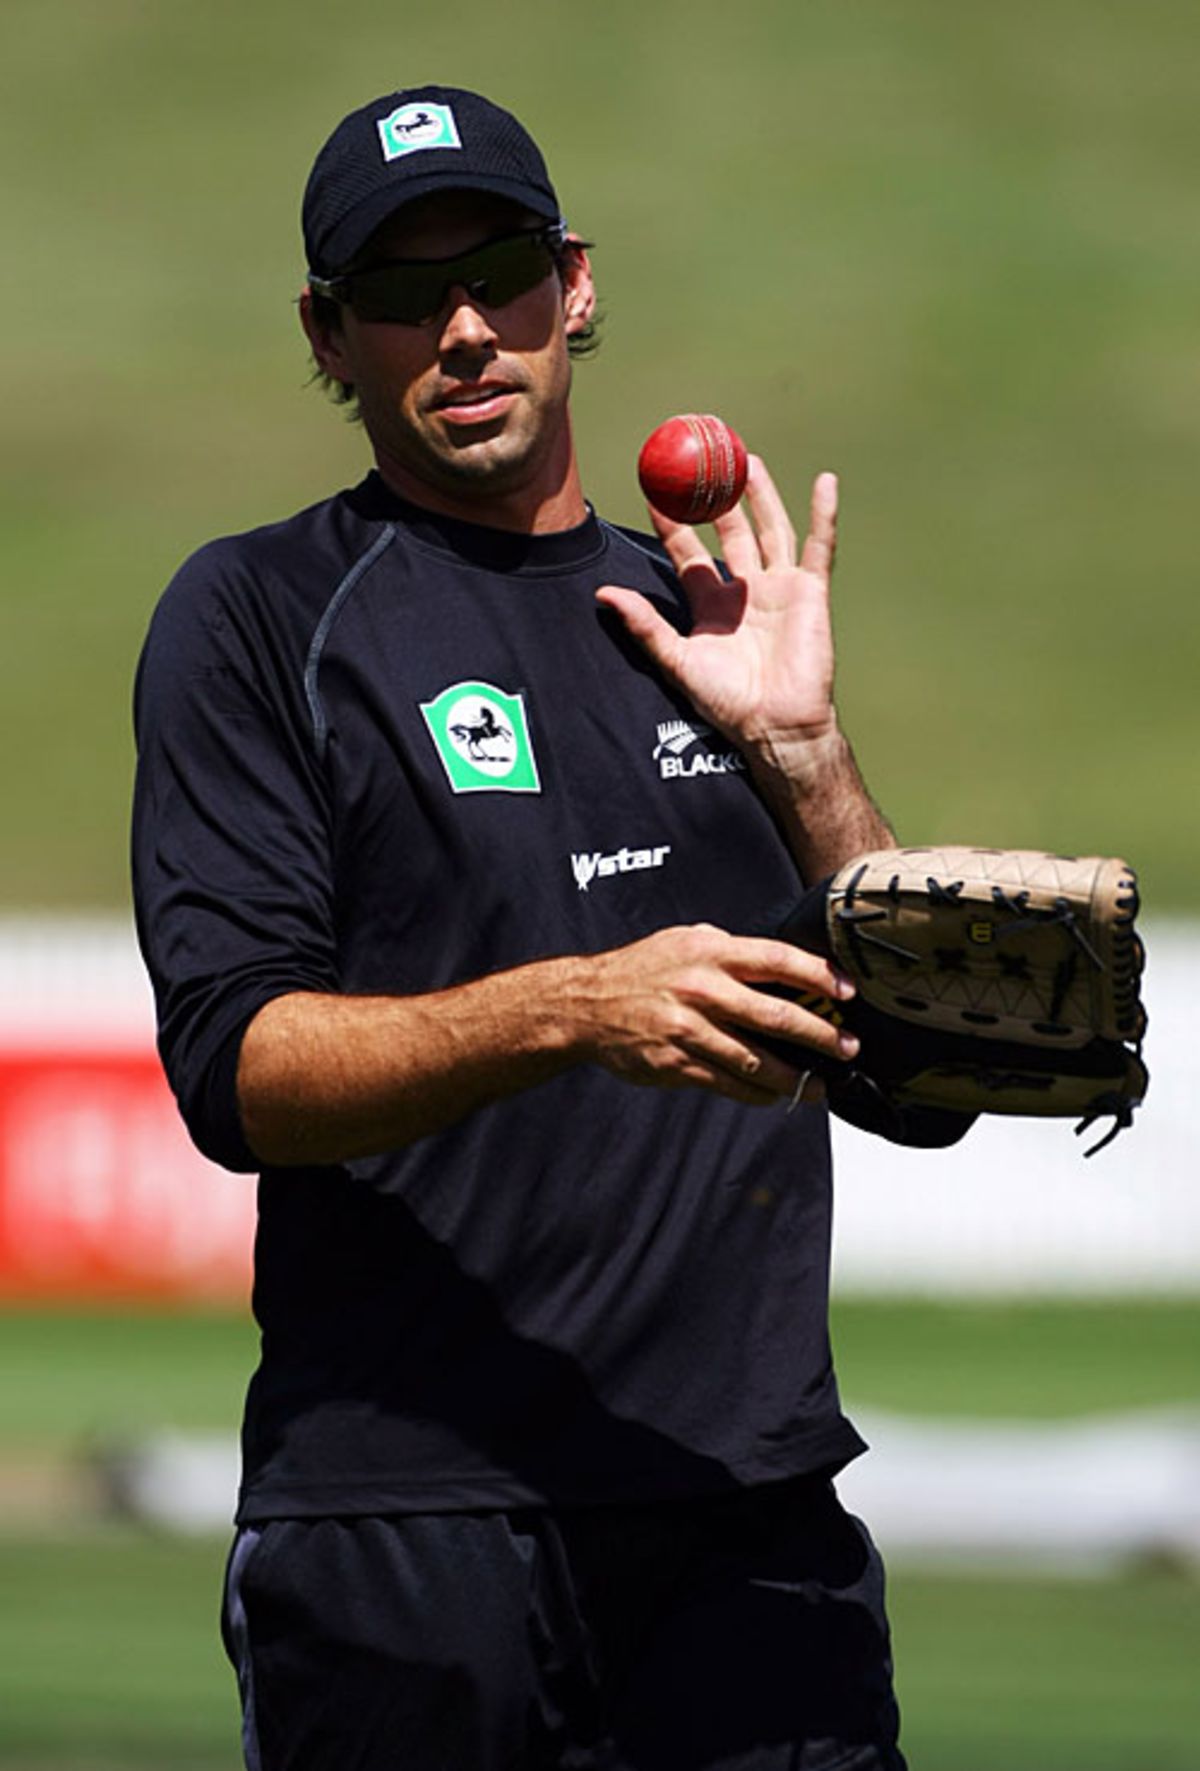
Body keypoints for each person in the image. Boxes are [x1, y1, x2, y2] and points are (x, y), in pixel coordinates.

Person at [132, 82, 962, 1771]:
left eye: (500, 268)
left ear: (572, 283)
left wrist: (808, 759)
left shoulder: (703, 621)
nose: (461, 330)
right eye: (396, 293)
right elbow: (237, 1073)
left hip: (750, 1515)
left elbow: (920, 1085)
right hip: (405, 1528)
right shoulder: (259, 614)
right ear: (328, 332)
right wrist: (578, 1007)